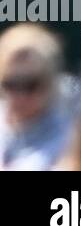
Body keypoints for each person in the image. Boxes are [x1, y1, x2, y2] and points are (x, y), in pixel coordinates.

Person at [0, 24, 72, 170]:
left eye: (31, 85)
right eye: (10, 84)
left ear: (51, 82)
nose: (20, 96)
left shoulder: (74, 136)